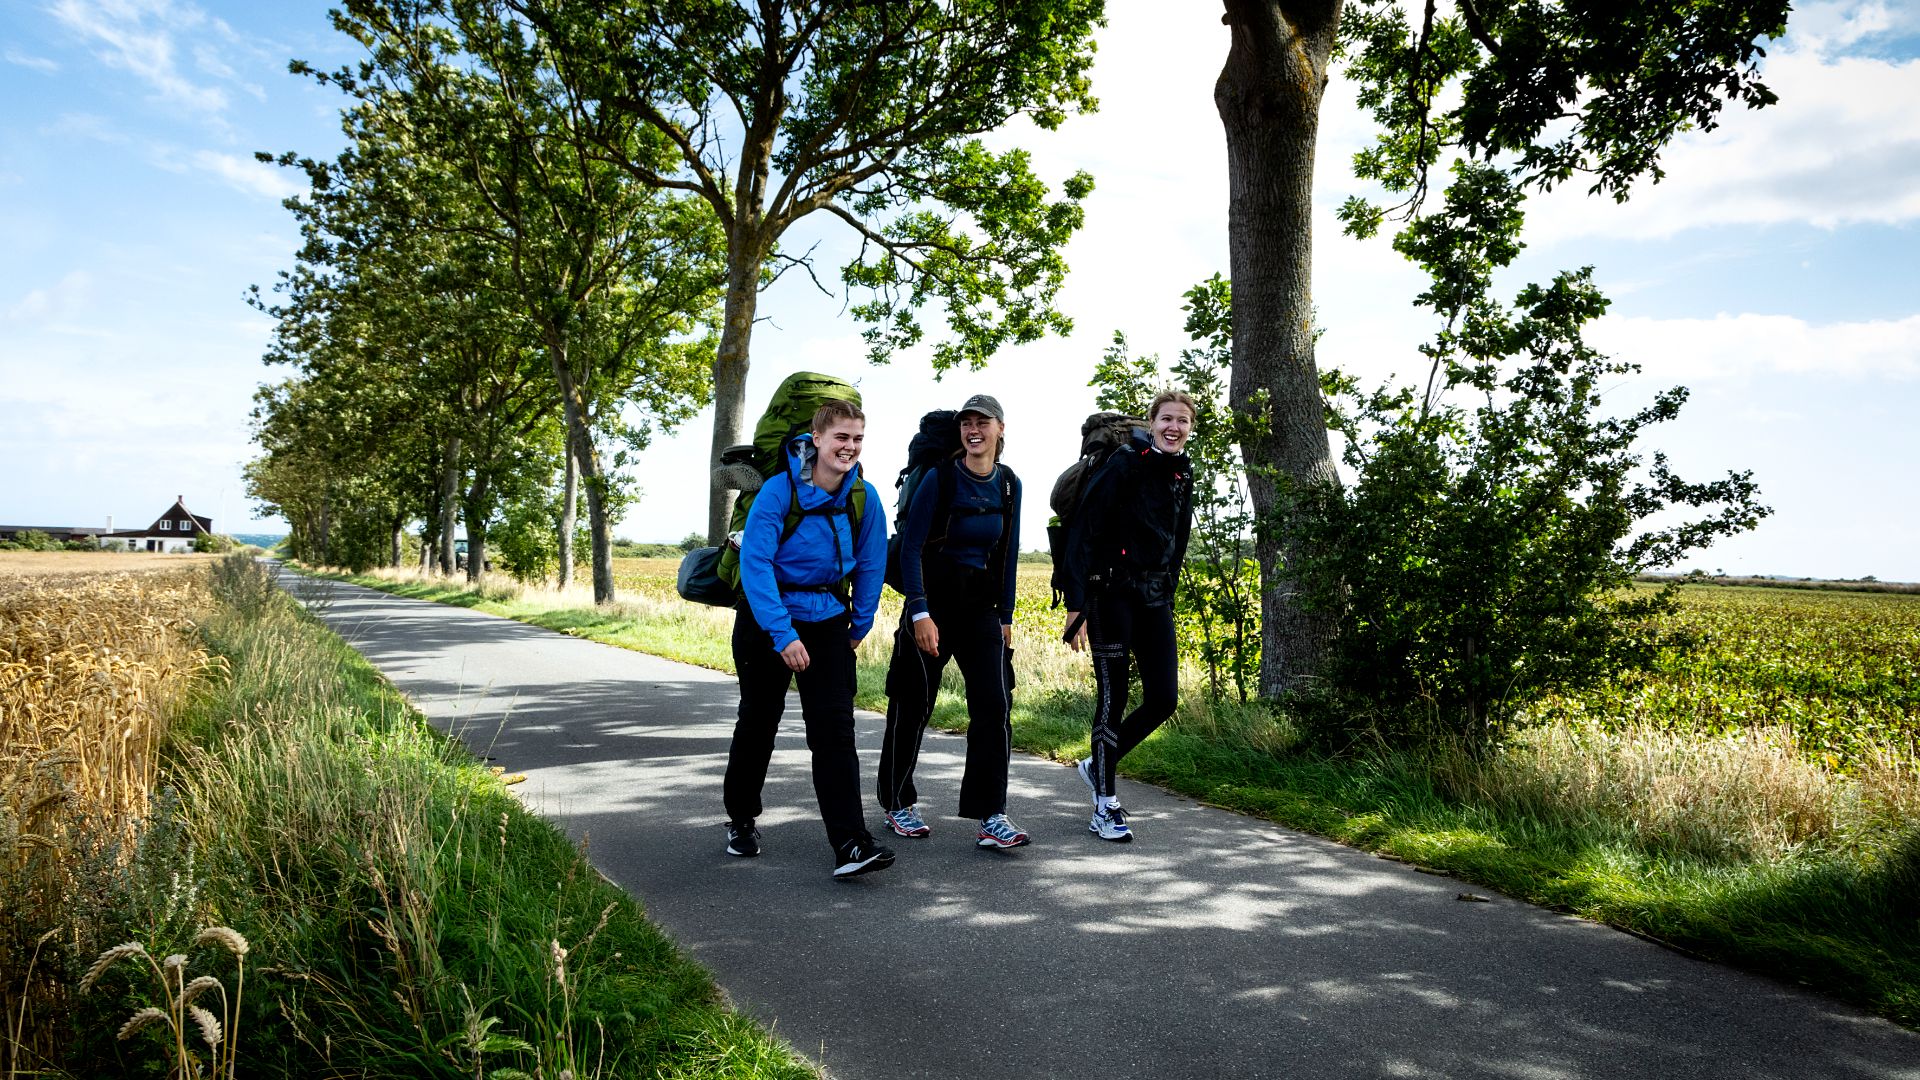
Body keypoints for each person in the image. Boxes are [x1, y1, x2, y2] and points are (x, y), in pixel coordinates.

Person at [722, 399, 894, 878]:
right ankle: (740, 819)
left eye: (857, 438)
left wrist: (858, 625)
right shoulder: (778, 492)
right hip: (765, 620)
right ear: (816, 440)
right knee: (759, 723)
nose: (850, 447)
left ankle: (851, 844)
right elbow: (755, 566)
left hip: (828, 621)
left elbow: (872, 563)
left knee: (835, 732)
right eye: (841, 437)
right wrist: (782, 635)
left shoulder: (865, 497)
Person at [876, 394, 1029, 849]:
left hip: (981, 609)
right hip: (933, 603)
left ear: (1001, 429)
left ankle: (991, 814)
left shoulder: (1009, 484)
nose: (973, 429)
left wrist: (1007, 616)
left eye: (983, 422)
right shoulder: (941, 478)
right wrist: (919, 610)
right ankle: (897, 801)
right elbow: (910, 547)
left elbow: (1008, 553)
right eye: (966, 423)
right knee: (912, 704)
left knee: (995, 708)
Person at [1059, 390, 1196, 842]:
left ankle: (1098, 764)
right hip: (1110, 595)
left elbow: (1178, 537)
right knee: (1112, 698)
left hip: (1155, 598)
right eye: (1167, 419)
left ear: (1189, 429)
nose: (1174, 427)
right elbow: (1084, 530)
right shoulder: (1124, 462)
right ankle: (1105, 804)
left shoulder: (1183, 472)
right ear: (1152, 423)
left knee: (1163, 699)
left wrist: (1169, 589)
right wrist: (1076, 604)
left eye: (1183, 422)